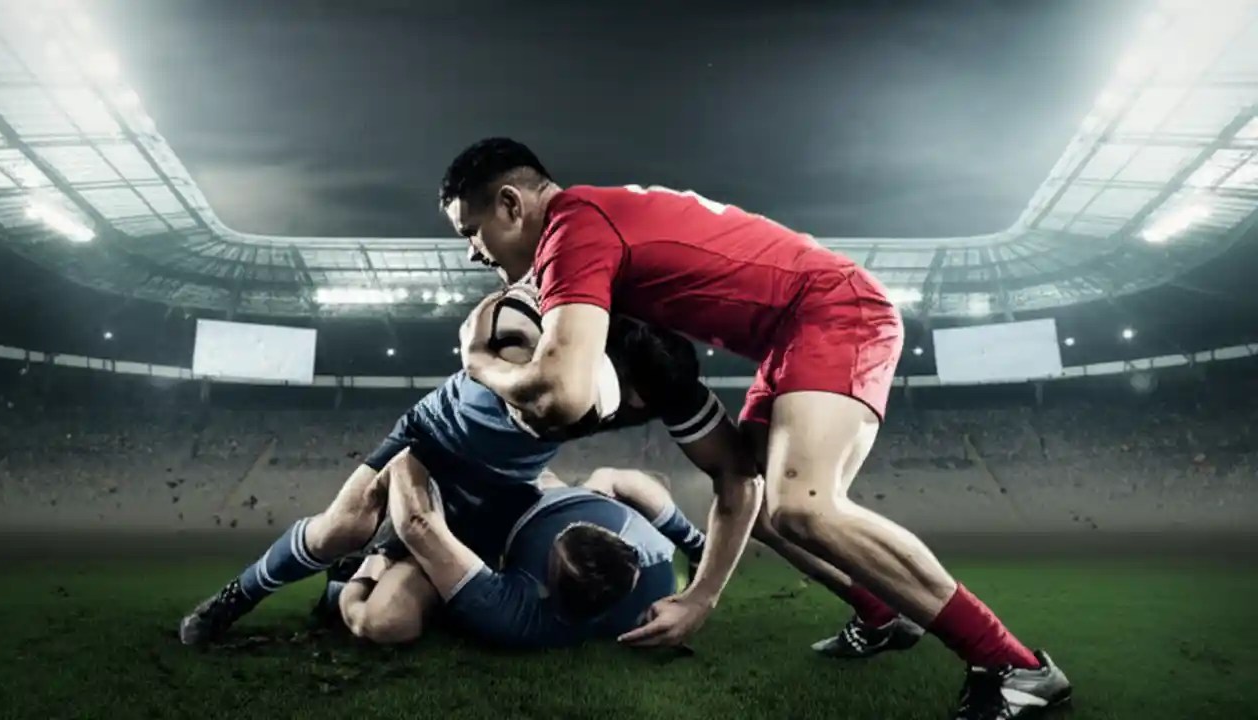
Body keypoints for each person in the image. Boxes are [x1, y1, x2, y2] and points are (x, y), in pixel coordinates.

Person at [439, 138, 1069, 719]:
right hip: (788, 336)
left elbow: (563, 392)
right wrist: (700, 597)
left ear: (510, 204)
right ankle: (881, 614)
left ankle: (1013, 665)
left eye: (472, 231)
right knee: (767, 505)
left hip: (828, 309)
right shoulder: (592, 234)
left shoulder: (572, 230)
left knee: (805, 505)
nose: (473, 251)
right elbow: (730, 477)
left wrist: (481, 363)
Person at [179, 295, 756, 647]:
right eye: (629, 404)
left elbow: (734, 471)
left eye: (639, 410)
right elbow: (499, 313)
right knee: (345, 526)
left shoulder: (664, 387)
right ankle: (236, 597)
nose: (628, 416)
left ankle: (370, 573)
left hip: (505, 486)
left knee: (396, 620)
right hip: (434, 440)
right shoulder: (542, 339)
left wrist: (708, 579)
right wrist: (483, 350)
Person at [335, 460, 706, 648]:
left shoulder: (520, 614)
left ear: (548, 583)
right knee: (620, 480)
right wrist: (694, 544)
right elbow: (615, 477)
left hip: (472, 523)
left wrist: (409, 453)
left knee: (384, 622)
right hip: (542, 486)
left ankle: (360, 570)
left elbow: (420, 525)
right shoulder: (656, 572)